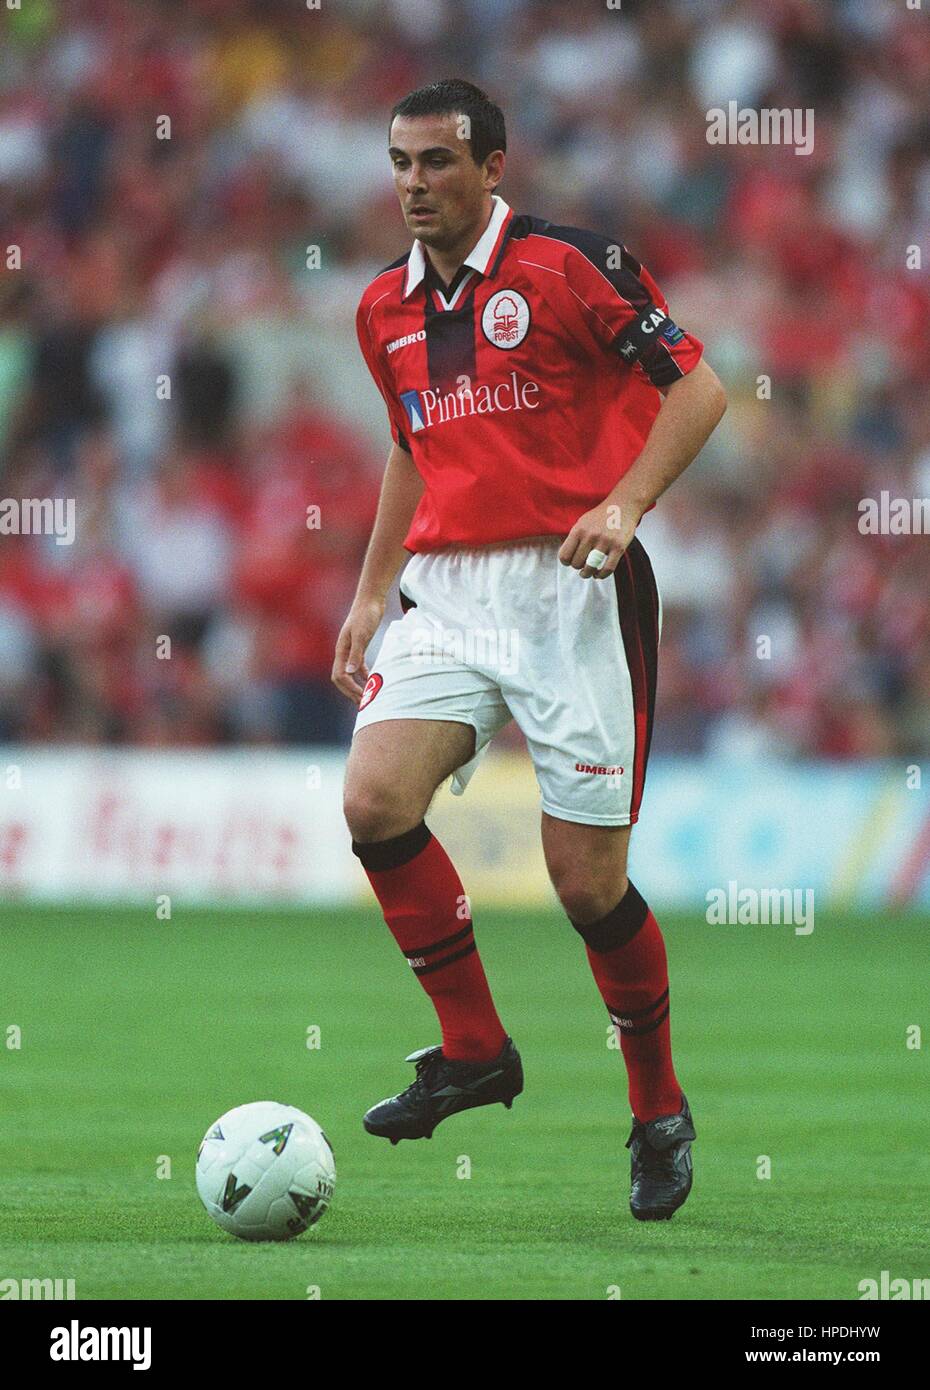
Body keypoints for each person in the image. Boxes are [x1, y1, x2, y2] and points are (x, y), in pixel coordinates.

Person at [332, 80, 726, 1221]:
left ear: (492, 168)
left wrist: (626, 506)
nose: (415, 184)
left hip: (574, 584)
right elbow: (413, 444)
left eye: (438, 163)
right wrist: (368, 595)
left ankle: (656, 1106)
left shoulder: (570, 264)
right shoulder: (379, 309)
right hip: (448, 590)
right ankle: (475, 1048)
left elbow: (696, 391)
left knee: (583, 884)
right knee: (373, 804)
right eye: (401, 163)